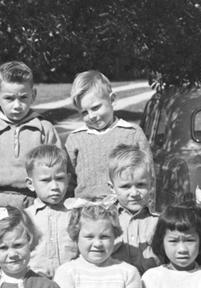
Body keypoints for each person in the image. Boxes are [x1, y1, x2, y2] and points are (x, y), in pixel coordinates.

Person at [0, 60, 60, 204]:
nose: (17, 105)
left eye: (23, 97)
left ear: (33, 95)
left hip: (37, 200)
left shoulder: (44, 129)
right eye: (9, 98)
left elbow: (58, 168)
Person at [60, 71, 150, 204]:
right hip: (86, 212)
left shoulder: (132, 133)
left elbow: (148, 175)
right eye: (84, 112)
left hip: (124, 209)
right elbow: (68, 181)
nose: (91, 116)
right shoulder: (75, 139)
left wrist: (148, 209)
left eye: (96, 108)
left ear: (112, 100)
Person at [24, 145, 79, 277]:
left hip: (70, 283)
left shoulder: (76, 215)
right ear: (31, 184)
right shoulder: (24, 218)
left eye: (60, 178)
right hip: (36, 285)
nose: (54, 186)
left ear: (68, 178)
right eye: (45, 180)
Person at [108, 147, 160, 267]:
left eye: (141, 185)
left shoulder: (160, 221)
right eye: (126, 186)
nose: (134, 193)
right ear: (112, 188)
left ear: (151, 183)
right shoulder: (106, 219)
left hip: (151, 283)